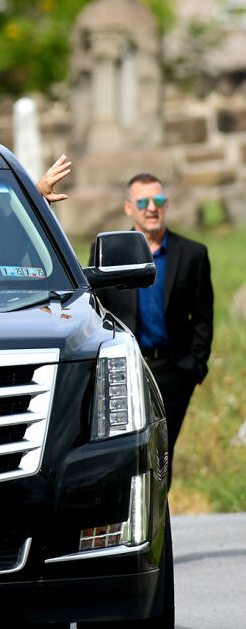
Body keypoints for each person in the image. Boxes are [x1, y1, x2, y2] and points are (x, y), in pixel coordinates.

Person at [91, 174, 214, 450]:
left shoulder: (194, 255)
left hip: (174, 371)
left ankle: (162, 496)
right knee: (125, 451)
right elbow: (96, 312)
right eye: (143, 201)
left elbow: (203, 318)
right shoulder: (109, 254)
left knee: (162, 453)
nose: (151, 207)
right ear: (128, 208)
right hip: (127, 367)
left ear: (166, 204)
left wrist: (196, 366)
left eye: (157, 200)